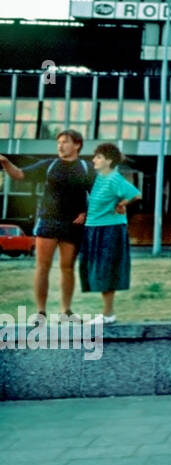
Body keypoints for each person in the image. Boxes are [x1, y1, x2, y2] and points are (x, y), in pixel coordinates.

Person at [0, 131, 95, 324]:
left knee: (67, 268)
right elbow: (19, 174)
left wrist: (86, 213)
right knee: (42, 267)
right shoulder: (49, 165)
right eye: (58, 142)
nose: (60, 146)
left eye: (65, 142)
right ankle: (40, 313)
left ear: (77, 145)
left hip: (73, 225)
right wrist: (4, 162)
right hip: (48, 221)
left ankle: (66, 312)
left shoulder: (86, 168)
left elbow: (100, 194)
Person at [80, 144, 142, 324]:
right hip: (93, 228)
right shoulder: (98, 178)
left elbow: (136, 194)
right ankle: (106, 313)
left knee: (105, 270)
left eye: (98, 157)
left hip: (109, 229)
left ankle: (108, 314)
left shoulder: (114, 178)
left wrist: (122, 204)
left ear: (108, 161)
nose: (94, 160)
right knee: (95, 271)